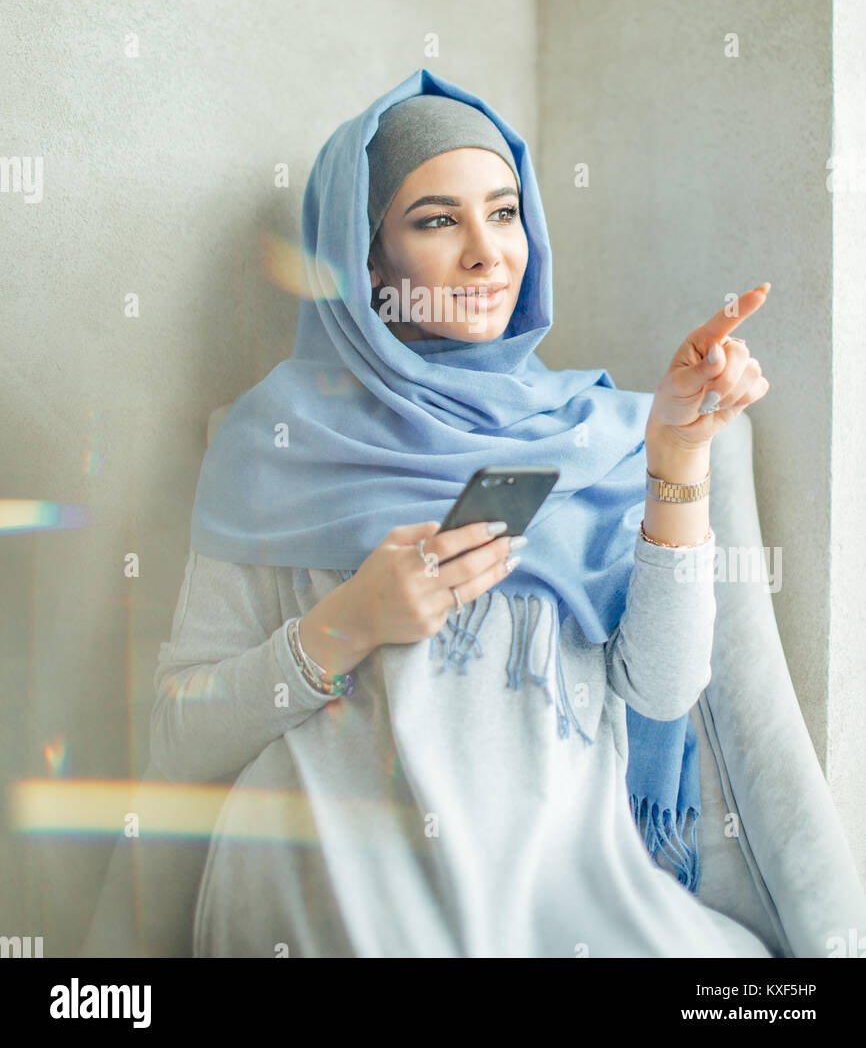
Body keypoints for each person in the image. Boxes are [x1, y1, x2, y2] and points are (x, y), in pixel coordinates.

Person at [151, 68, 774, 958]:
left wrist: (678, 454)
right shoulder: (276, 439)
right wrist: (348, 623)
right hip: (337, 880)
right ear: (368, 261)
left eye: (506, 211)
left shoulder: (596, 432)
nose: (488, 253)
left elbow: (664, 690)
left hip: (561, 880)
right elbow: (179, 735)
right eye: (437, 220)